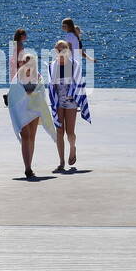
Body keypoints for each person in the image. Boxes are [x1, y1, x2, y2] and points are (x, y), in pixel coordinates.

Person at [8, 49, 56, 179]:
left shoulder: (38, 76)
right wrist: (25, 96)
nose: (27, 65)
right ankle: (27, 167)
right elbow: (13, 93)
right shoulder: (18, 76)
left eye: (29, 63)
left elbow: (41, 91)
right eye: (25, 62)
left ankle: (29, 165)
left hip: (34, 109)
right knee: (25, 135)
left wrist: (33, 95)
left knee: (32, 137)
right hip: (22, 109)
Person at [48, 39, 90, 172]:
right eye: (58, 49)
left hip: (71, 101)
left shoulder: (74, 65)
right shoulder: (51, 65)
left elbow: (79, 83)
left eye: (63, 49)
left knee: (69, 132)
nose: (60, 52)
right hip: (58, 101)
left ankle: (72, 148)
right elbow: (50, 86)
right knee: (59, 131)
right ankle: (61, 162)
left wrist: (77, 98)